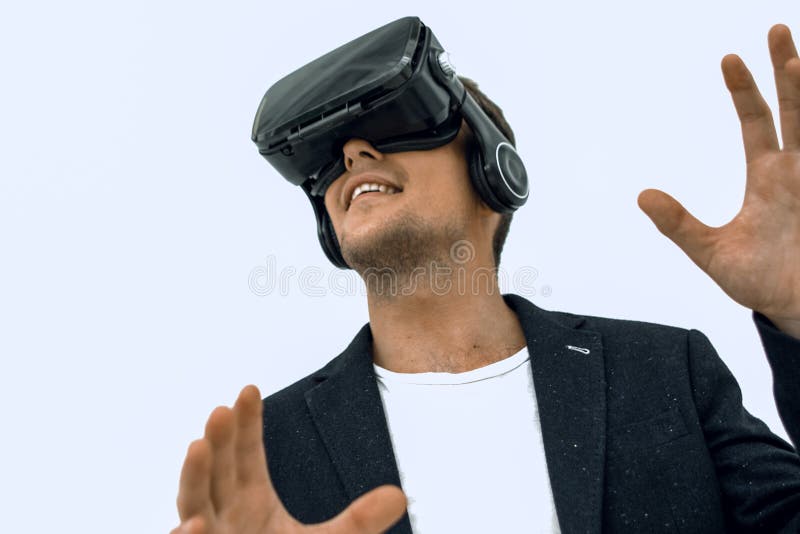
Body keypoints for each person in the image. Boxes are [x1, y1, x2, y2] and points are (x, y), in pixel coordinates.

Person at [172, 22, 800, 534]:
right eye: (329, 157)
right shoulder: (269, 448)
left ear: (494, 173)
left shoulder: (663, 372)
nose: (353, 155)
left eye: (395, 125)